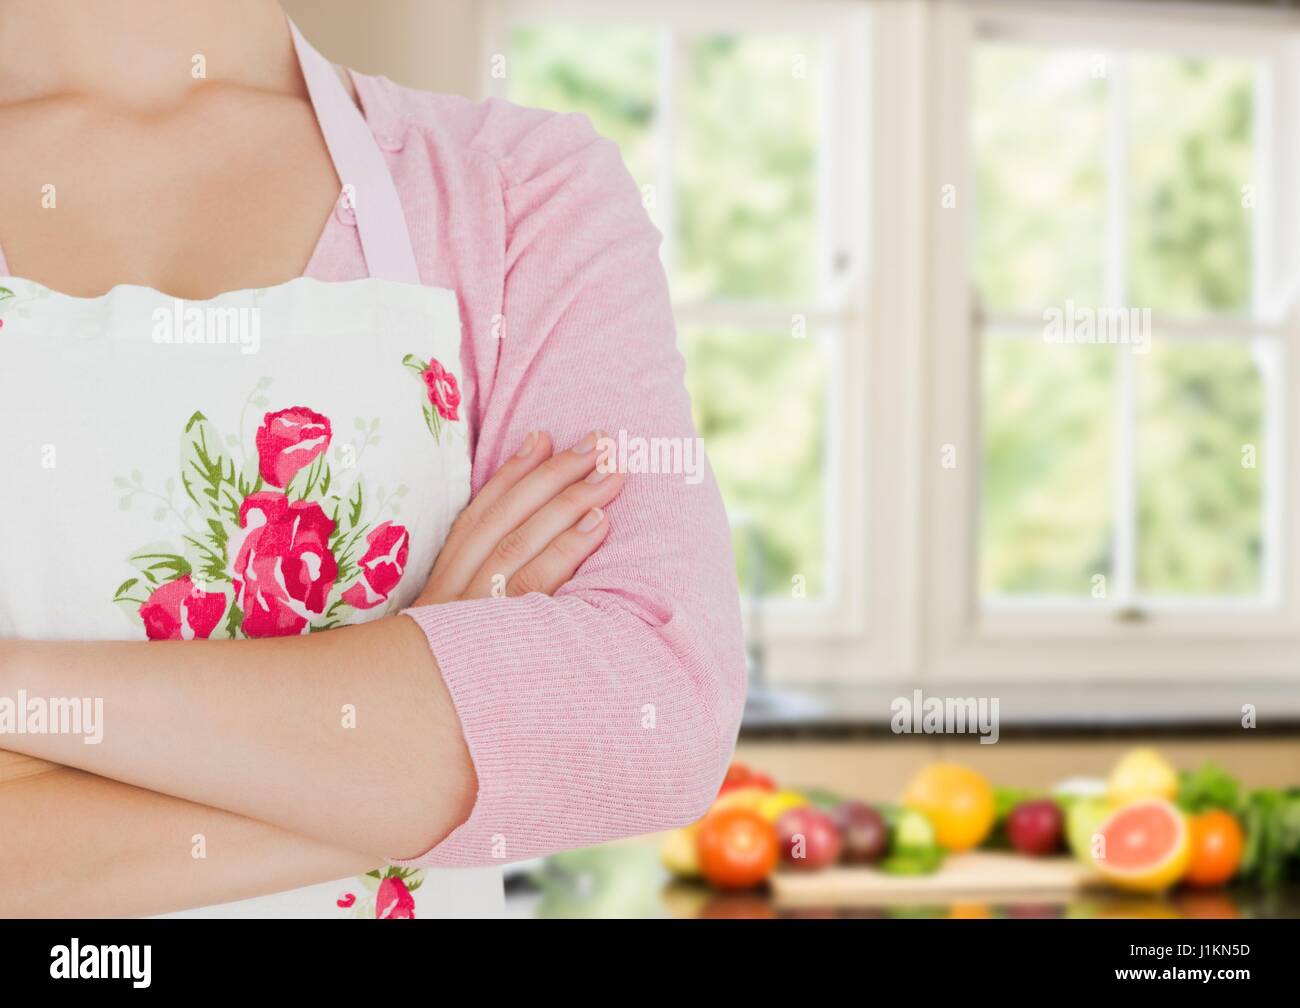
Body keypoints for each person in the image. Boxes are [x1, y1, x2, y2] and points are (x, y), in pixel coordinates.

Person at [0, 0, 744, 918]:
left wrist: (17, 691)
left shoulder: (515, 191)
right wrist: (424, 712)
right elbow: (570, 738)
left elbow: (658, 709)